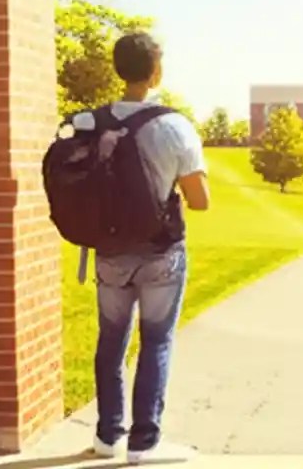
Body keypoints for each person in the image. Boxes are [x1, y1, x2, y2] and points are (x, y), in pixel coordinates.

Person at [73, 32, 209, 464]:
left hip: (110, 251)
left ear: (118, 69)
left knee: (111, 340)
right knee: (156, 341)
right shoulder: (174, 126)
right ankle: (144, 442)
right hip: (160, 254)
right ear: (156, 72)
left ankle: (107, 435)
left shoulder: (93, 123)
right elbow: (200, 201)